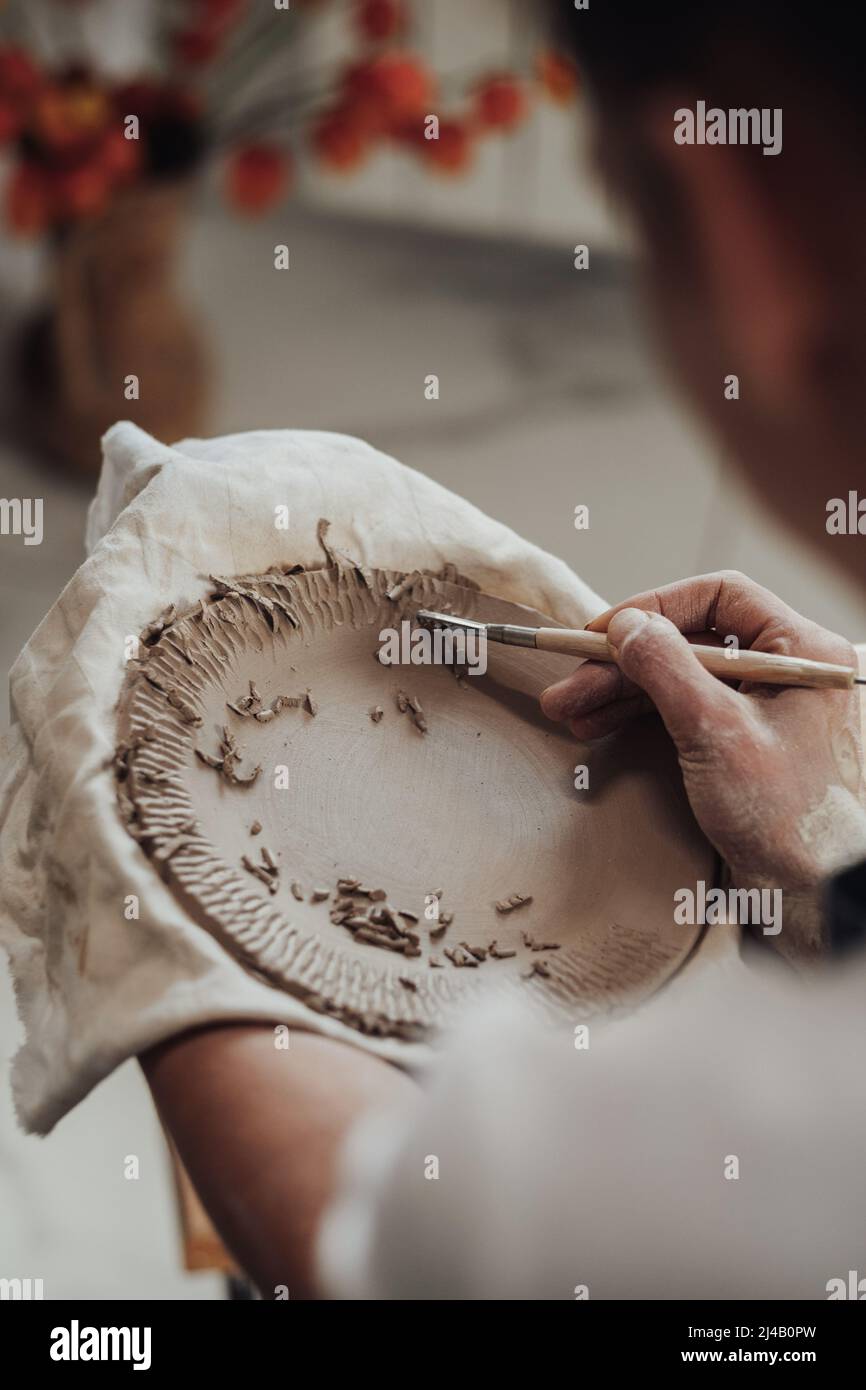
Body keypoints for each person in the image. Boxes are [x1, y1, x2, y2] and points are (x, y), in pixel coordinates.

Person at [142, 0, 866, 1298]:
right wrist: (805, 861)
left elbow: (367, 1246)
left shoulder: (680, 1161)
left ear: (734, 231)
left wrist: (139, 879)